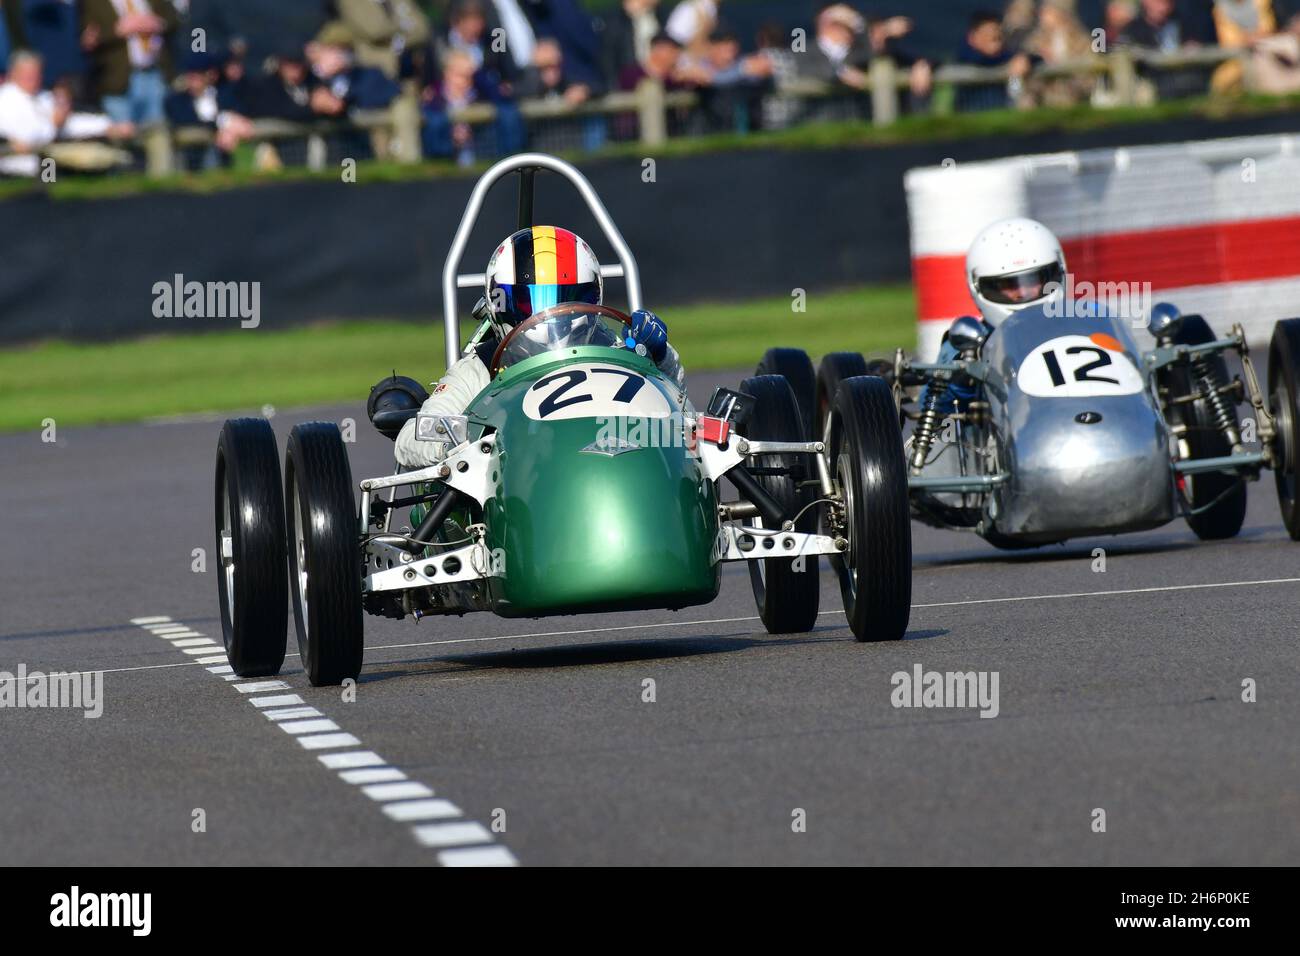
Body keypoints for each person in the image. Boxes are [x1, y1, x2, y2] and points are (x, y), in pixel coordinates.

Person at [394, 225, 677, 469]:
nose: (551, 314)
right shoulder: (478, 370)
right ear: (499, 304)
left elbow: (677, 411)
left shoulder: (615, 350)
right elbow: (410, 439)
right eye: (531, 302)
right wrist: (466, 441)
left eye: (567, 299)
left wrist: (661, 358)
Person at [923, 217, 1068, 410]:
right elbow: (932, 403)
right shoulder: (969, 342)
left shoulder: (1082, 330)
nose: (1021, 294)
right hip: (1001, 435)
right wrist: (963, 379)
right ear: (981, 287)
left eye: (1033, 280)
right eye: (1008, 285)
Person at [0, 48, 133, 176]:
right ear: (14, 73)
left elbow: (71, 122)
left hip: (48, 162)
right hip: (16, 167)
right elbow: (24, 138)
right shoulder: (5, 100)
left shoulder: (44, 98)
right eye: (28, 74)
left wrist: (107, 126)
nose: (34, 78)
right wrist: (53, 124)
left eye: (37, 73)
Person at [81, 0, 179, 124]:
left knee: (157, 133)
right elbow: (87, 39)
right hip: (118, 82)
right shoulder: (94, 3)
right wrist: (119, 30)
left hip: (154, 76)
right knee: (123, 135)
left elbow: (174, 18)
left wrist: (157, 23)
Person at [955, 10, 1032, 112]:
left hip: (1004, 116)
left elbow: (1015, 89)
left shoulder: (1006, 57)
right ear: (973, 37)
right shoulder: (965, 57)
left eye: (998, 33)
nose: (995, 36)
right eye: (989, 32)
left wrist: (1024, 59)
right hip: (972, 117)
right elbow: (978, 60)